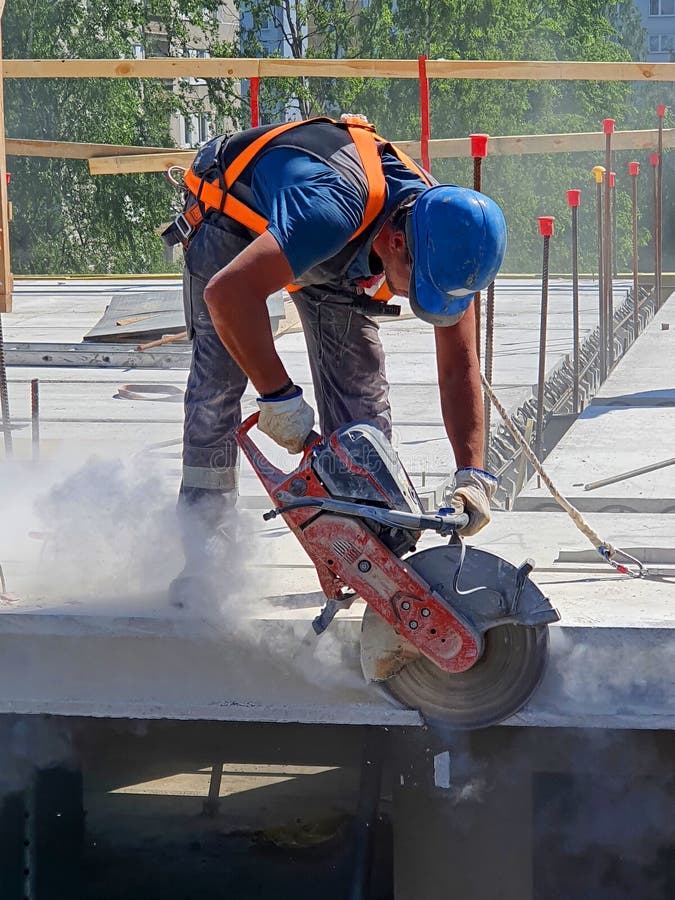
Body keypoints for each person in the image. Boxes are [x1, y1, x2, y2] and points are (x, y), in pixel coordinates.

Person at [163, 115, 507, 606]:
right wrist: (278, 395)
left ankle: (368, 541)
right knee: (219, 386)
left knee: (361, 403)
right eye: (419, 286)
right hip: (234, 219)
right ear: (395, 243)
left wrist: (472, 474)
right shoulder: (328, 212)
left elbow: (459, 365)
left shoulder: (450, 240)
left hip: (334, 249)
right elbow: (227, 295)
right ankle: (204, 555)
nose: (417, 299)